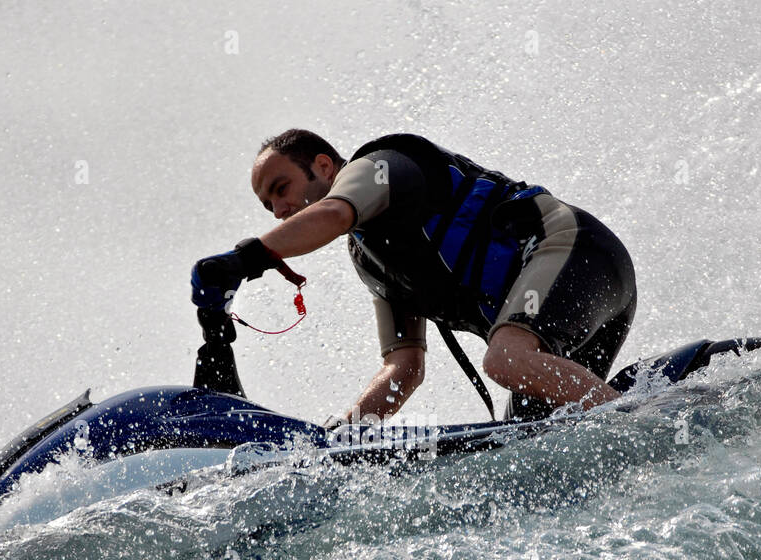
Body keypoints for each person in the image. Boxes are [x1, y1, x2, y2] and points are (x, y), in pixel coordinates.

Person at [190, 129, 637, 424]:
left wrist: (243, 260)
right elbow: (404, 368)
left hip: (578, 252)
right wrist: (343, 436)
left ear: (324, 167)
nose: (279, 209)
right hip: (563, 326)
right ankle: (639, 416)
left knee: (505, 361)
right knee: (533, 435)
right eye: (267, 206)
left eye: (281, 188)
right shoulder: (372, 257)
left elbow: (331, 214)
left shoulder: (380, 166)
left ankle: (639, 425)